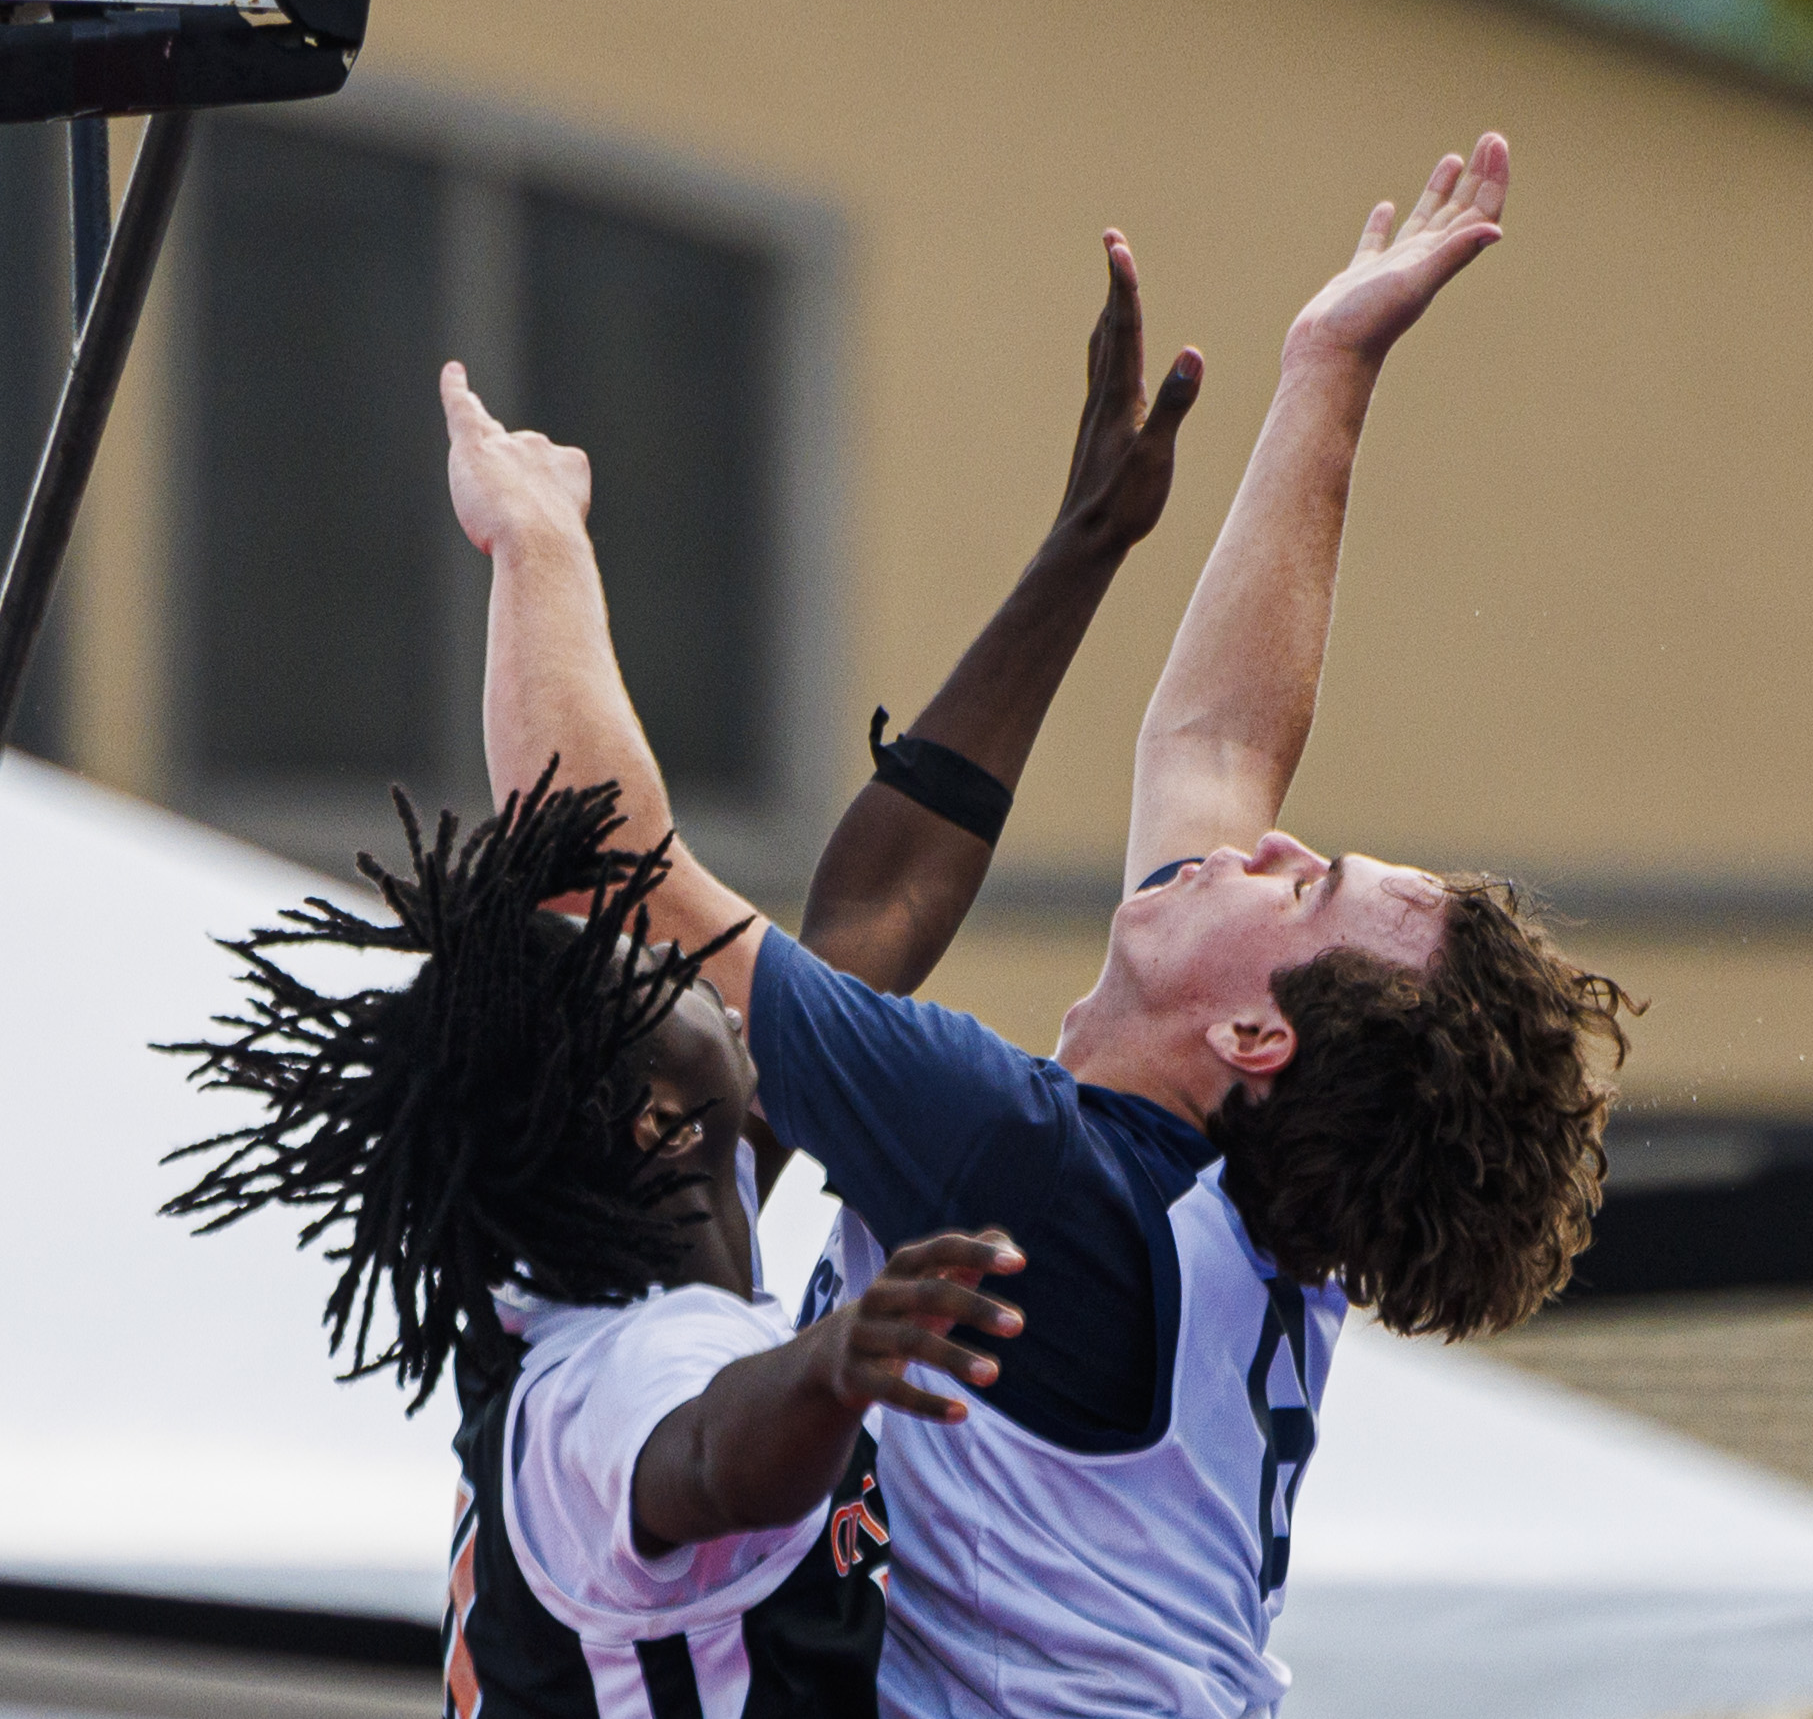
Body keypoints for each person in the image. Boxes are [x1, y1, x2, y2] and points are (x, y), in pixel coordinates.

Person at [448, 143, 1636, 1719]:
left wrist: (534, 542)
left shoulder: (1042, 1178)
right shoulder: (1223, 1178)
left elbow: (603, 855)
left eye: (1303, 880)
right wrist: (1326, 369)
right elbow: (1217, 745)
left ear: (1255, 1037)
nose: (1264, 841)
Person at [165, 239, 1204, 1719]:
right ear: (651, 1118)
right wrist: (832, 1364)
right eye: (633, 974)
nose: (674, 956)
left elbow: (874, 913)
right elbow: (706, 1453)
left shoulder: (629, 1265)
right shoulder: (625, 1371)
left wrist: (1082, 544)